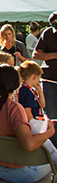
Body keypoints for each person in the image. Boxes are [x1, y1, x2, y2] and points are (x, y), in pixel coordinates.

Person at [0, 64, 56, 183]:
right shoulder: (14, 108)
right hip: (19, 171)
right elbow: (29, 144)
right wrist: (49, 131)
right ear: (17, 84)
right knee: (51, 155)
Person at [34, 11, 57, 148]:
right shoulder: (48, 33)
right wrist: (54, 55)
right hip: (50, 81)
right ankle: (54, 150)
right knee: (52, 117)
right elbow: (36, 54)